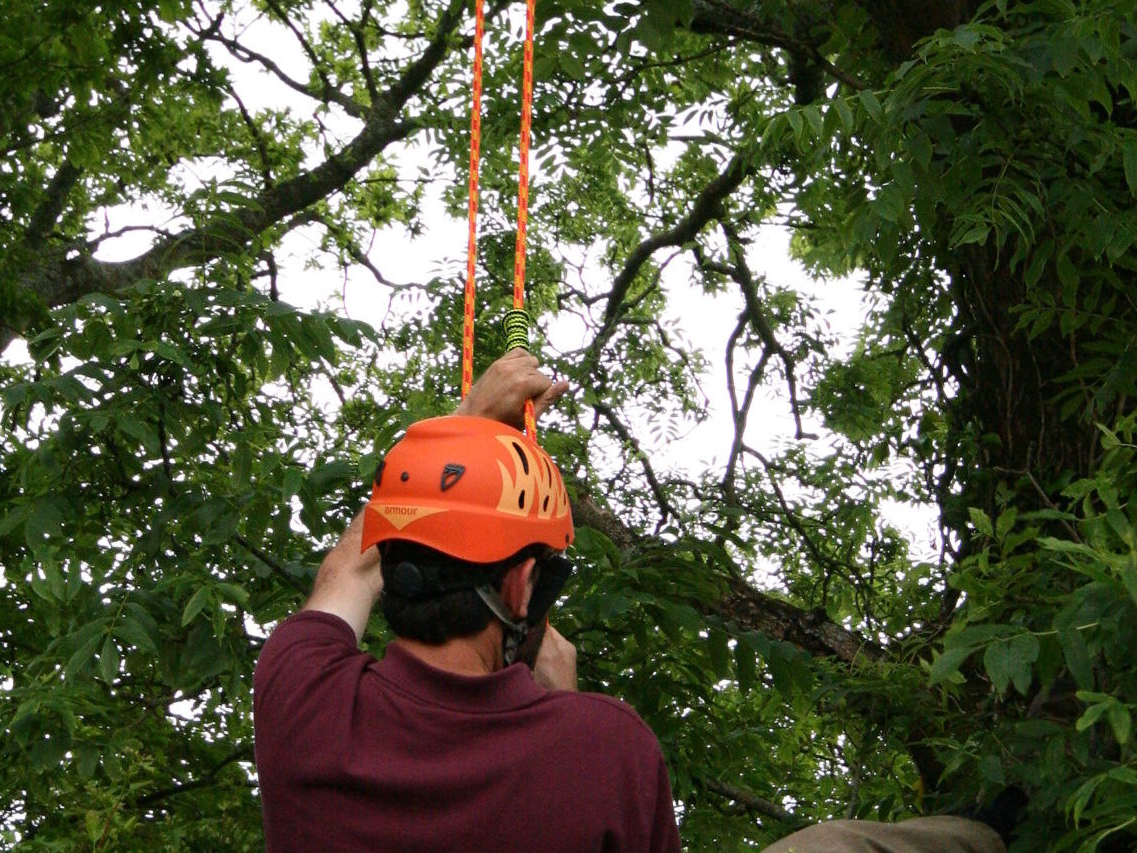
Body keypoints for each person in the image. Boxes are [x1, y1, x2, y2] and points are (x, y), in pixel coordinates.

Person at [254, 350, 1010, 853]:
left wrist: (470, 415)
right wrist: (562, 702)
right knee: (838, 848)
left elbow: (346, 567)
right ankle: (994, 831)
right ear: (520, 584)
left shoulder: (304, 701)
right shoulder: (601, 743)